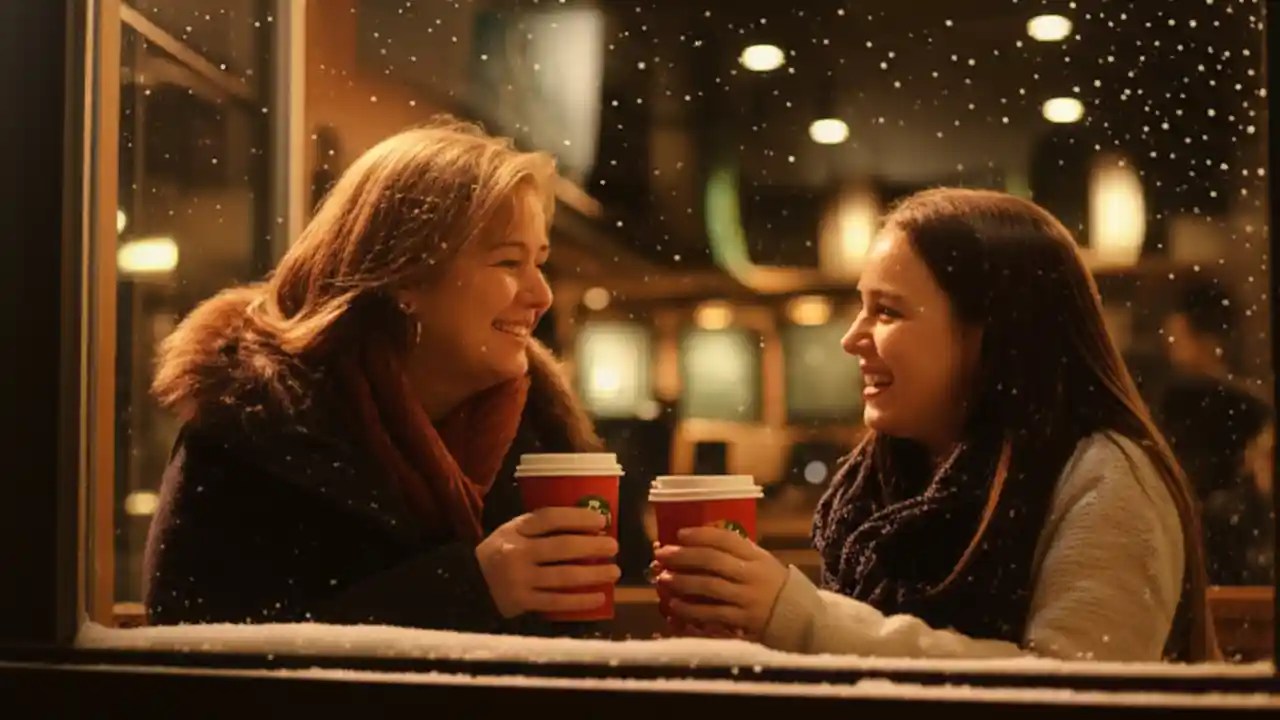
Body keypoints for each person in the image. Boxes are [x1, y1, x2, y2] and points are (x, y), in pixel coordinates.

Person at [654, 188, 1218, 662]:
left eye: (888, 311)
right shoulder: (882, 478)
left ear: (993, 333)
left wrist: (797, 617)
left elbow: (1069, 693)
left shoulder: (1109, 478)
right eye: (862, 307)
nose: (852, 338)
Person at [144, 117, 622, 634]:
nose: (541, 296)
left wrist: (707, 606)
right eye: (509, 263)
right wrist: (467, 590)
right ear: (405, 278)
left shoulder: (547, 447)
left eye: (540, 263)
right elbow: (201, 666)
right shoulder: (254, 431)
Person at [1158, 276, 1274, 585]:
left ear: (1206, 340)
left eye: (1178, 338)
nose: (1171, 348)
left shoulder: (1181, 401)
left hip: (1203, 546)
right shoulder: (1254, 404)